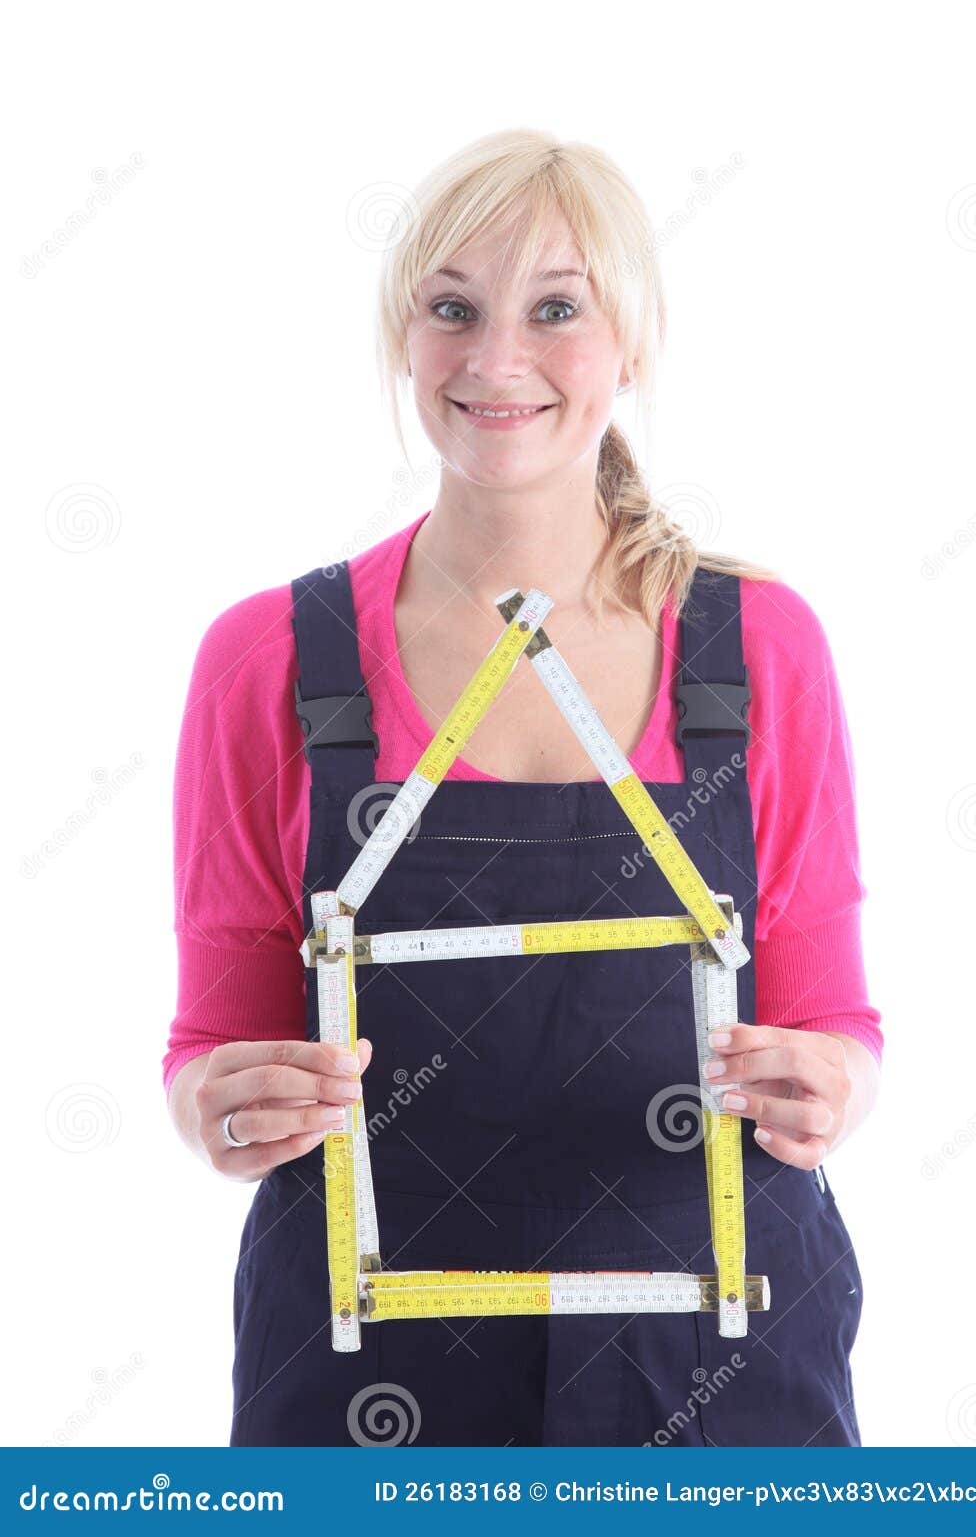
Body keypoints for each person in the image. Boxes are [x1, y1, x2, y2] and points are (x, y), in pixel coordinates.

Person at [164, 128, 882, 1448]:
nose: (497, 359)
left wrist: (830, 1078)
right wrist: (223, 1103)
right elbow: (208, 1046)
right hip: (368, 1363)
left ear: (633, 342)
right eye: (453, 308)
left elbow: (835, 1020)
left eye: (556, 308)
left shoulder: (759, 647)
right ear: (404, 336)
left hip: (719, 1365)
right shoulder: (268, 660)